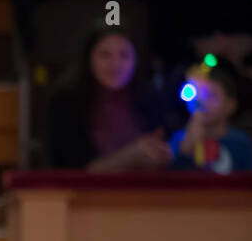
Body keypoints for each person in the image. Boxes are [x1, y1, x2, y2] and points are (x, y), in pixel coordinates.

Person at [47, 26, 173, 172]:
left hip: (142, 191)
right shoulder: (66, 102)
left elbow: (165, 153)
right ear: (89, 59)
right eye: (105, 55)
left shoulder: (150, 97)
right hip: (82, 192)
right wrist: (132, 154)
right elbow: (79, 170)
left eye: (124, 55)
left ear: (135, 60)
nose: (115, 64)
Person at [169, 59, 252, 171]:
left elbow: (251, 183)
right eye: (197, 95)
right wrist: (187, 148)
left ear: (231, 104)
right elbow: (174, 180)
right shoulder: (177, 141)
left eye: (212, 96)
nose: (202, 102)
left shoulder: (241, 144)